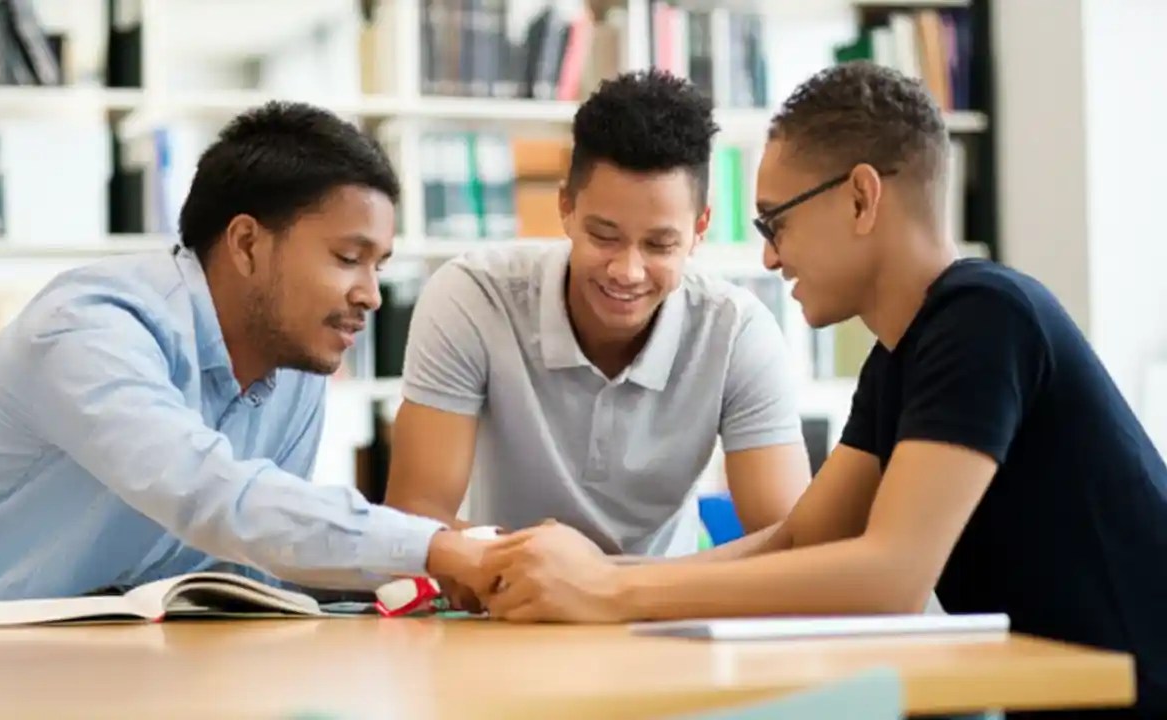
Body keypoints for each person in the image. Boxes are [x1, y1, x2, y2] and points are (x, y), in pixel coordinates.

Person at [473, 62, 1167, 718]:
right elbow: (801, 540)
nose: (771, 256)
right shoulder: (900, 357)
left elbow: (890, 578)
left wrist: (612, 587)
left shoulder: (986, 316)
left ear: (862, 197)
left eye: (776, 222)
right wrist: (584, 576)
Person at [0, 102, 487, 613]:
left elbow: (250, 566)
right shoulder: (88, 324)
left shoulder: (295, 366)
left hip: (114, 667)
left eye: (378, 265)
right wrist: (435, 546)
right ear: (247, 243)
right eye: (348, 258)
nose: (371, 294)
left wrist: (448, 569)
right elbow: (213, 495)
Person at [383, 69, 811, 566]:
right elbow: (416, 519)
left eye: (659, 245)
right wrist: (549, 572)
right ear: (565, 206)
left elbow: (788, 543)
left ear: (699, 230)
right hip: (504, 610)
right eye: (604, 236)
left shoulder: (738, 331)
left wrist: (606, 586)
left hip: (663, 614)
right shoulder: (473, 297)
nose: (627, 271)